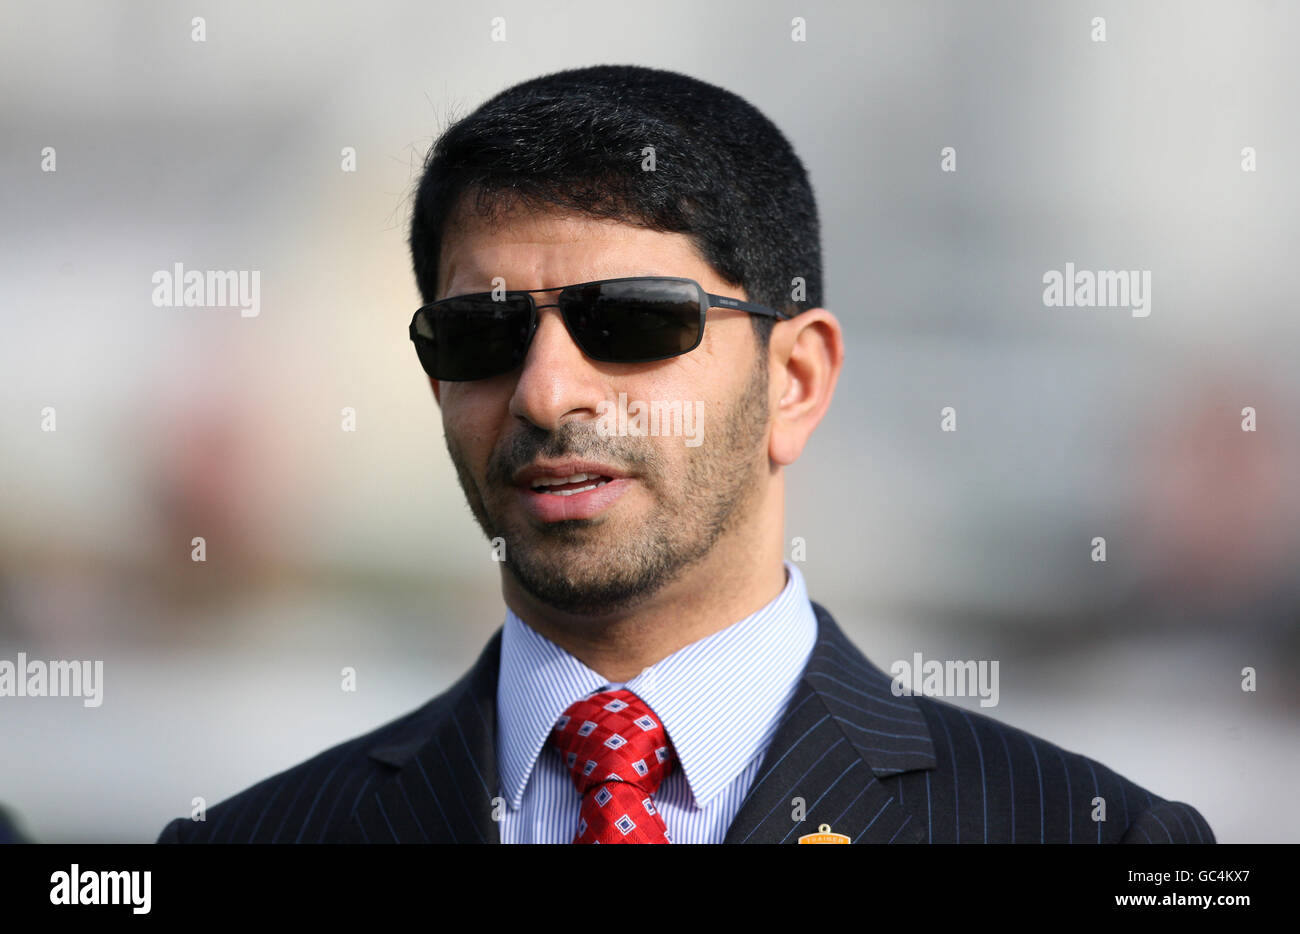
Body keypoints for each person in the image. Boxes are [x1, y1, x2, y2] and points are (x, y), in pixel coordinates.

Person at [158, 64, 1213, 845]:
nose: (546, 389)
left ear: (793, 381)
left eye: (630, 321)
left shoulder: (1093, 838)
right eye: (480, 335)